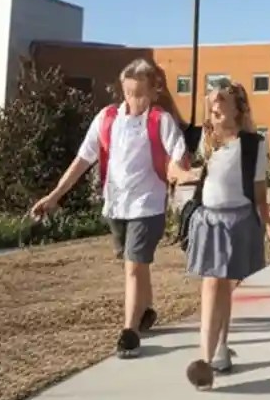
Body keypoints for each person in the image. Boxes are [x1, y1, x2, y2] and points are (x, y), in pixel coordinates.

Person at [31, 58, 190, 359]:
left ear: (154, 91)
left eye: (140, 93)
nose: (134, 100)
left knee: (133, 266)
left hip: (148, 204)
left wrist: (184, 177)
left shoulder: (160, 120)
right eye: (129, 93)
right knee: (135, 264)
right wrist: (54, 196)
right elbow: (82, 160)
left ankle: (129, 333)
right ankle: (147, 312)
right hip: (116, 205)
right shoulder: (107, 119)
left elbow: (177, 159)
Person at [182, 80, 270, 390]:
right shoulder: (204, 141)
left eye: (221, 99)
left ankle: (219, 348)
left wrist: (268, 222)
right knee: (212, 283)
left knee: (224, 286)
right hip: (208, 221)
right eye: (210, 101)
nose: (214, 105)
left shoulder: (252, 144)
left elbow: (259, 190)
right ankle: (206, 359)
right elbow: (177, 167)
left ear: (238, 108)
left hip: (237, 221)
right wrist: (182, 174)